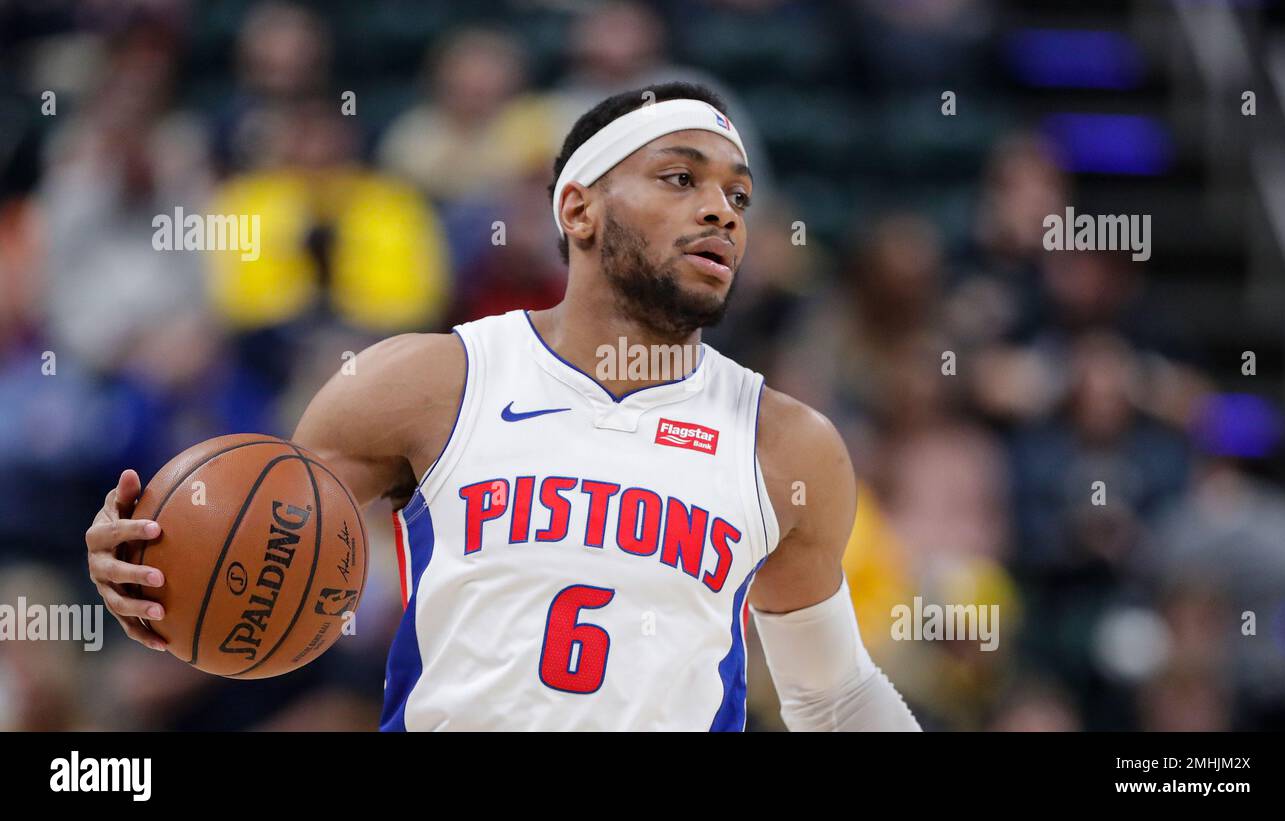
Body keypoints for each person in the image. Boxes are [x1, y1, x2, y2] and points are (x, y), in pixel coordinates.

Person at [83, 82, 919, 732]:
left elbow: (834, 697)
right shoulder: (427, 381)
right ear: (578, 208)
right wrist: (139, 569)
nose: (720, 211)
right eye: (679, 178)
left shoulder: (788, 444)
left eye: (738, 197)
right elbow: (243, 549)